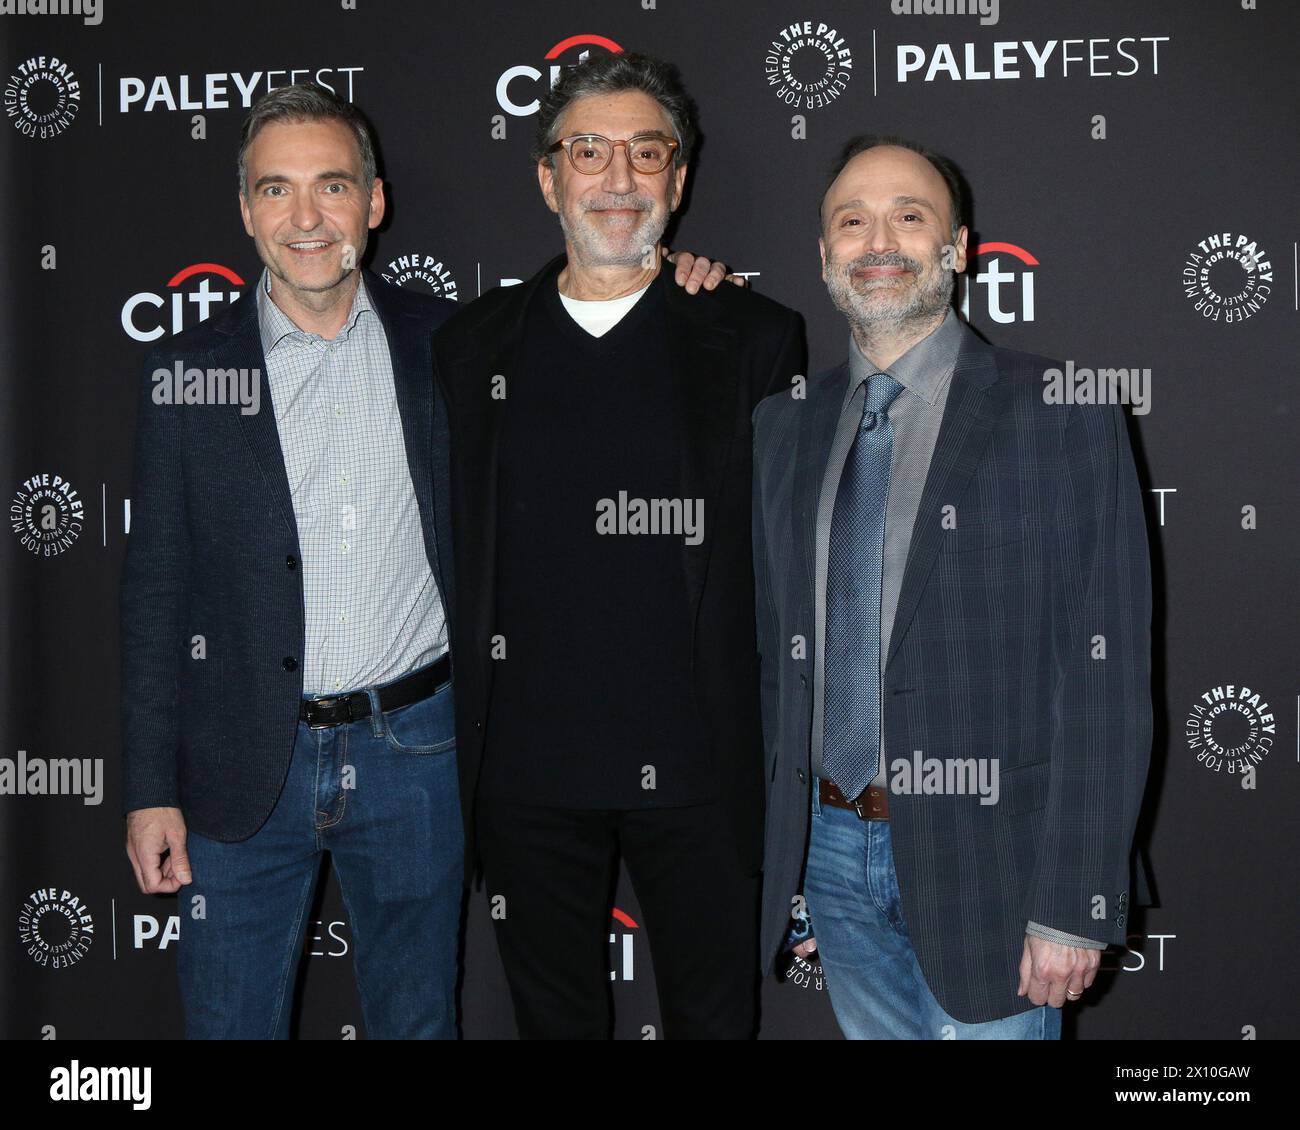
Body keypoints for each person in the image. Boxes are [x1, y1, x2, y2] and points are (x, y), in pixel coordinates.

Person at [433, 52, 806, 1039]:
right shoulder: (468, 347)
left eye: (647, 153)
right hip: (523, 770)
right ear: (547, 177)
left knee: (714, 1020)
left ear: (678, 181)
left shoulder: (753, 335)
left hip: (703, 766)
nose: (618, 178)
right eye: (586, 151)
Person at [753, 135, 1152, 1038]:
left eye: (909, 215)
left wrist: (1075, 900)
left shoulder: (1066, 412)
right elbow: (777, 662)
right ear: (823, 256)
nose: (878, 239)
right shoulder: (783, 427)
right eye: (851, 221)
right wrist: (791, 870)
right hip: (831, 859)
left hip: (999, 867)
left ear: (958, 246)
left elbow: (1107, 678)